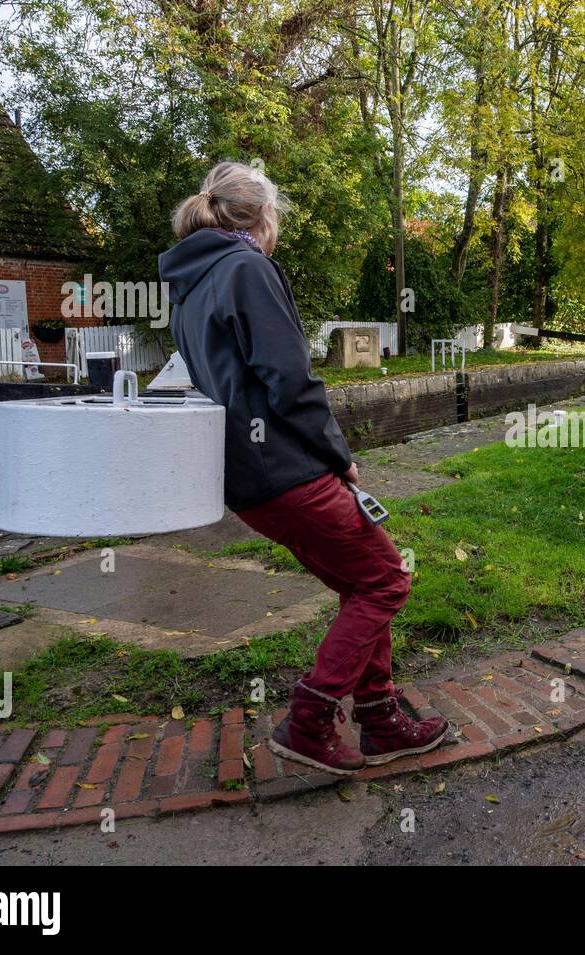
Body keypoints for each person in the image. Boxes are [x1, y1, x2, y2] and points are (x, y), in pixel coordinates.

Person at [158, 161, 448, 775]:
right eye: (276, 217)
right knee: (386, 580)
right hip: (288, 470)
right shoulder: (247, 269)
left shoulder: (190, 289)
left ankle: (380, 719)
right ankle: (310, 722)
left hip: (248, 481)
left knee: (360, 582)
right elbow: (289, 380)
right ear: (264, 217)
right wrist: (337, 456)